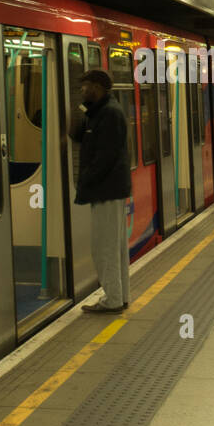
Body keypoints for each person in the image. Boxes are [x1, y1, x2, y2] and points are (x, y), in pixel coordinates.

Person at [70, 69, 133, 313]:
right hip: (109, 189)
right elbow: (79, 134)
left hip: (106, 190)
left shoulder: (110, 114)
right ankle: (119, 296)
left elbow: (105, 156)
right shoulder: (99, 111)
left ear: (97, 87)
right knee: (114, 247)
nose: (83, 91)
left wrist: (85, 181)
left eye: (86, 87)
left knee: (103, 247)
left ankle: (112, 300)